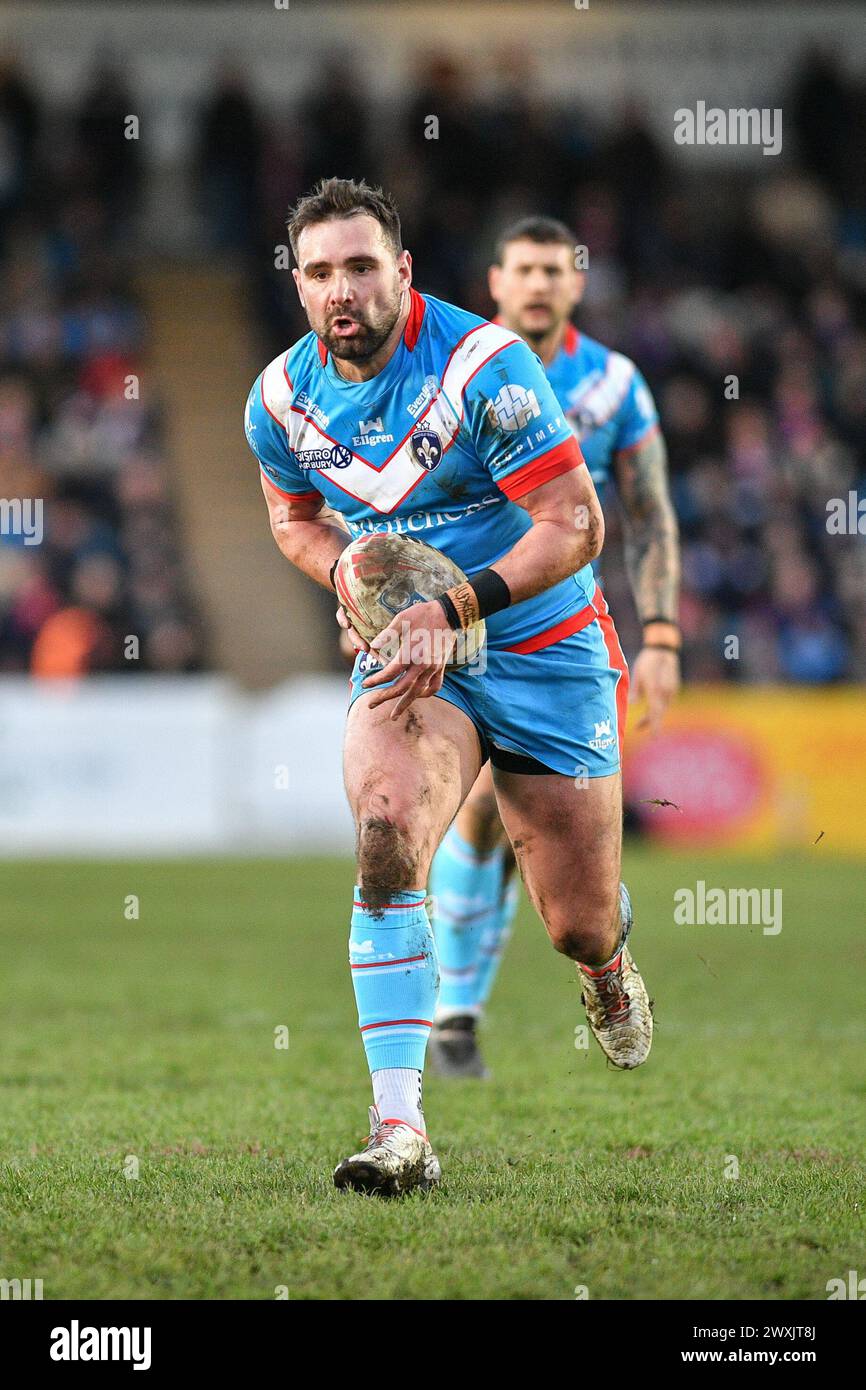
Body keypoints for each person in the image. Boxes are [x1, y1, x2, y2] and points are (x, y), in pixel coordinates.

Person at [244, 178, 653, 1196]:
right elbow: (294, 521)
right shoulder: (279, 401)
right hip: (420, 662)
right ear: (296, 286)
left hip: (545, 645)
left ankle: (603, 968)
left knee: (577, 919)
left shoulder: (485, 369)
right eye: (320, 272)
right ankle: (399, 1129)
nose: (342, 290)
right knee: (386, 832)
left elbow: (575, 525)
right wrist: (351, 577)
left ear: (403, 273)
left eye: (361, 267)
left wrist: (451, 604)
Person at [428, 217, 681, 1078]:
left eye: (555, 272)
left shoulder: (612, 385)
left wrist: (663, 633)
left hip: (563, 634)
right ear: (494, 281)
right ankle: (455, 1018)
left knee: (556, 874)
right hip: (463, 624)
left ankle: (596, 940)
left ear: (576, 286)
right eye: (523, 270)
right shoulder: (452, 373)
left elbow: (645, 514)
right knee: (478, 811)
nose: (538, 285)